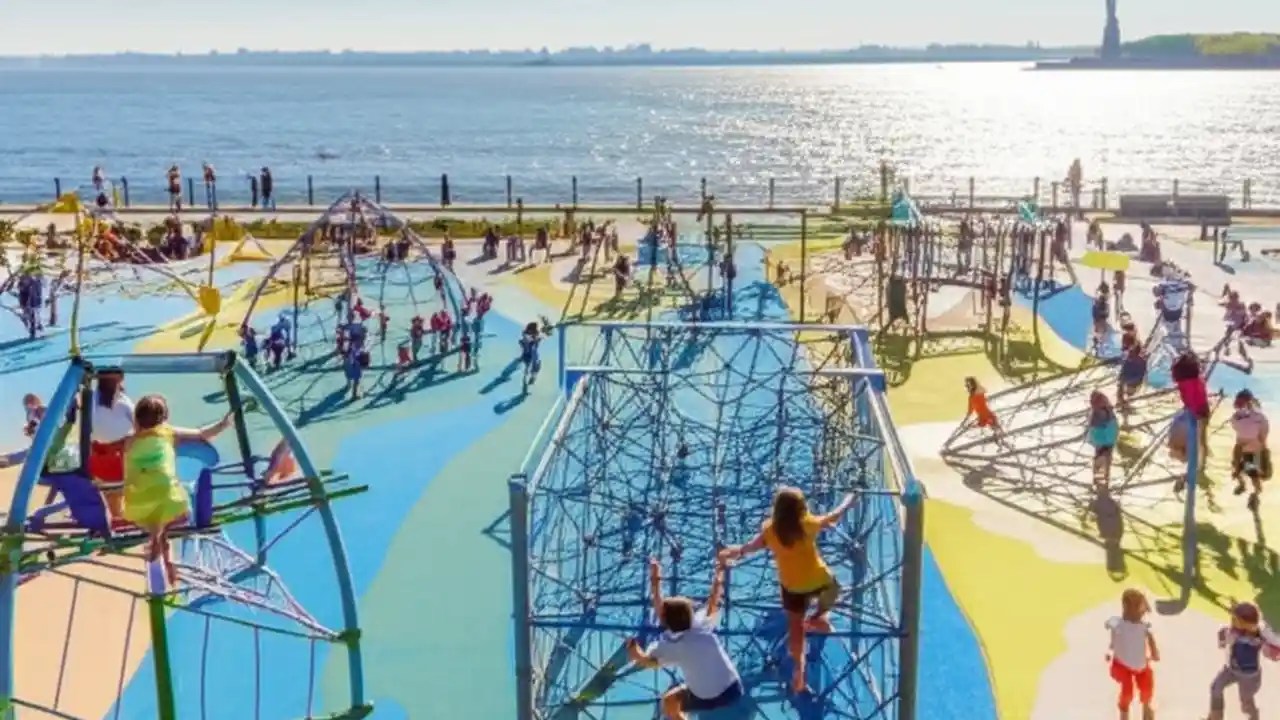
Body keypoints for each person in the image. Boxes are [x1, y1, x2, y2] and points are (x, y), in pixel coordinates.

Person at [719, 487, 855, 693]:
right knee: (835, 589)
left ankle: (799, 671)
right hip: (817, 580)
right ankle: (817, 617)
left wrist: (734, 552)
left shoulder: (771, 530)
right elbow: (833, 517)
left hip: (791, 587)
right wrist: (850, 500)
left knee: (795, 630)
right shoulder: (807, 525)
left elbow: (751, 546)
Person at [124, 394, 234, 587]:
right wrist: (223, 424)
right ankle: (164, 551)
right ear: (163, 418)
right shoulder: (167, 432)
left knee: (154, 517)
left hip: (138, 496)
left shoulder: (130, 442)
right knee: (169, 513)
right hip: (167, 493)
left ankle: (160, 545)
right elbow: (201, 434)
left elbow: (129, 471)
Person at [626, 557, 744, 720]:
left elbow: (648, 661)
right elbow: (714, 599)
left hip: (704, 696)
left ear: (666, 622)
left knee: (669, 702)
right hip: (733, 690)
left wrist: (635, 652)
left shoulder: (671, 647)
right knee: (675, 698)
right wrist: (719, 573)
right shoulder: (702, 625)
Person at [1209, 602, 1280, 720]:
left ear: (1246, 623)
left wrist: (1268, 649)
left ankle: (1254, 717)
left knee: (1246, 704)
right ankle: (1216, 717)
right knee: (1215, 688)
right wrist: (1223, 638)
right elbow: (1222, 642)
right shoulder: (1232, 631)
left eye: (1236, 619)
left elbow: (1275, 645)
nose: (1233, 620)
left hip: (1250, 676)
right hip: (1231, 669)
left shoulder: (1261, 634)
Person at [89, 370, 135, 521]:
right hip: (121, 460)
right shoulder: (122, 401)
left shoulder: (89, 399)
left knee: (112, 497)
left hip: (97, 460)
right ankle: (120, 519)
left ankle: (116, 519)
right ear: (120, 379)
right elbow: (140, 426)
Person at [1106, 588, 1159, 720]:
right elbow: (1111, 634)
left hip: (1141, 665)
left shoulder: (1144, 626)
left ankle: (1147, 708)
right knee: (1127, 691)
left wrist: (1154, 652)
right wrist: (1110, 649)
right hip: (1122, 665)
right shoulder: (1118, 623)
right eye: (1139, 608)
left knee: (1147, 687)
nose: (1142, 613)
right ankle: (1124, 712)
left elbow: (1150, 638)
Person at [1170, 352, 1211, 489]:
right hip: (1202, 410)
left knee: (1196, 440)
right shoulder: (1198, 379)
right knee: (1202, 440)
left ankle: (1195, 465)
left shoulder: (1185, 383)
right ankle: (1202, 465)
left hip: (1196, 413)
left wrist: (1192, 415)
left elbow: (1192, 399)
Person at [1229, 389, 1270, 511]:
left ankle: (1255, 494)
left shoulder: (1257, 417)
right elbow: (1263, 433)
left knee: (1253, 475)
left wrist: (1262, 451)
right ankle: (1244, 486)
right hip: (1243, 449)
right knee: (1236, 470)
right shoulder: (1239, 417)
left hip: (1251, 451)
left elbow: (1262, 436)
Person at [1088, 391, 1120, 486]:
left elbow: (1092, 428)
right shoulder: (1105, 412)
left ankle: (1101, 474)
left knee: (1102, 455)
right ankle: (1102, 474)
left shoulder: (1098, 413)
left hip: (1104, 438)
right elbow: (1113, 425)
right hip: (1106, 438)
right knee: (1105, 456)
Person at [963, 377, 1004, 444]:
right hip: (984, 417)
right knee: (995, 428)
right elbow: (970, 410)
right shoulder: (974, 396)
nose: (969, 387)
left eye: (970, 385)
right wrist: (965, 420)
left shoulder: (977, 394)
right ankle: (999, 439)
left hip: (986, 416)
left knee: (996, 428)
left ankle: (999, 439)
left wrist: (973, 380)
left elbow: (970, 410)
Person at [519, 322, 543, 389]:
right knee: (530, 366)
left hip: (531, 355)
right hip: (528, 354)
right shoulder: (526, 334)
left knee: (534, 365)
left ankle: (530, 378)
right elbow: (527, 340)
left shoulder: (535, 334)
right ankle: (527, 380)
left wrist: (537, 339)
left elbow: (539, 338)